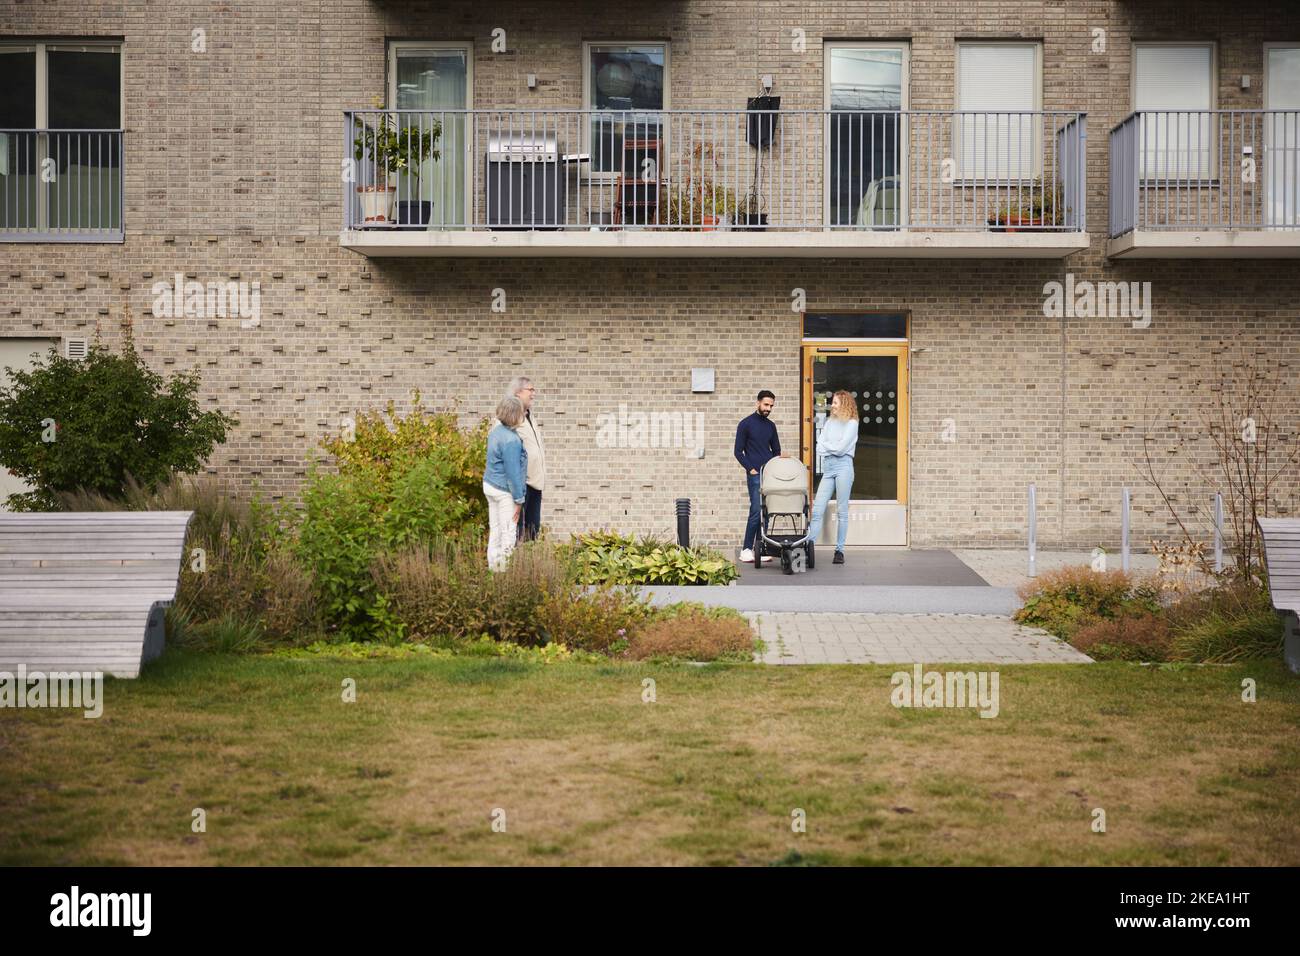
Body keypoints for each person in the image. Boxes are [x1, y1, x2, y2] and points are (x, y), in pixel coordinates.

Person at [805, 390, 859, 565]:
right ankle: (808, 547)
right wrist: (831, 446)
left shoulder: (852, 423)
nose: (832, 406)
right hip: (828, 468)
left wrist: (829, 446)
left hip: (844, 466)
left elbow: (842, 449)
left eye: (835, 403)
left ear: (844, 404)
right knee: (817, 510)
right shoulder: (829, 422)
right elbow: (819, 447)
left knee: (842, 512)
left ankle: (839, 551)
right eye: (832, 402)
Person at [734, 389, 782, 564]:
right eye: (766, 404)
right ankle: (746, 549)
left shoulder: (771, 426)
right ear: (758, 403)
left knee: (766, 512)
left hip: (770, 474)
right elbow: (738, 452)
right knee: (755, 510)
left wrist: (777, 467)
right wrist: (750, 469)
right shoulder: (745, 424)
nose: (768, 408)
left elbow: (776, 451)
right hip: (755, 474)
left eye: (771, 406)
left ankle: (761, 549)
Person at [483, 396, 528, 571]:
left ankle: (493, 571)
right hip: (504, 490)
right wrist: (519, 500)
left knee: (495, 530)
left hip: (490, 484)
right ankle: (504, 575)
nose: (523, 414)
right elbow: (513, 473)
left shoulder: (496, 431)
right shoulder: (511, 440)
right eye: (521, 412)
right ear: (514, 415)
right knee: (508, 533)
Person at [508, 376, 545, 542]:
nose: (533, 393)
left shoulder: (530, 417)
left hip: (536, 483)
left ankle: (529, 563)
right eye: (530, 389)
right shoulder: (511, 417)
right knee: (516, 530)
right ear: (518, 393)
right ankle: (513, 563)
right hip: (522, 484)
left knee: (533, 529)